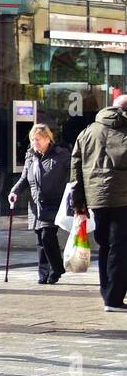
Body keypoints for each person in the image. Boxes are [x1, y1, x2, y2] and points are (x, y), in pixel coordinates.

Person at [70, 93, 127, 312]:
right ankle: (113, 298)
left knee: (105, 246)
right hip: (122, 199)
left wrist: (78, 204)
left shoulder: (88, 132)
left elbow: (75, 172)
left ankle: (108, 294)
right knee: (119, 249)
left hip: (96, 201)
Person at [8, 124, 70, 284]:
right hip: (36, 204)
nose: (35, 142)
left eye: (38, 139)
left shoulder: (61, 155)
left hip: (54, 203)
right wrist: (14, 191)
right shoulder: (30, 157)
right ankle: (44, 273)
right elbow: (24, 180)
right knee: (40, 241)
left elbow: (74, 172)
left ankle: (56, 268)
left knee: (47, 236)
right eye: (33, 139)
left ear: (48, 139)